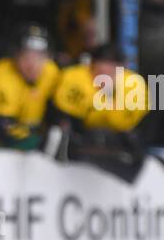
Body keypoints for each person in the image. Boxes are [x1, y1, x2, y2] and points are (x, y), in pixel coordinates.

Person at [41, 44, 151, 183]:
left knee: (134, 146)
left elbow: (140, 127)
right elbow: (65, 119)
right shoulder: (75, 80)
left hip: (112, 141)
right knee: (63, 135)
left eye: (111, 73)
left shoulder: (134, 87)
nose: (104, 79)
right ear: (91, 68)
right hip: (79, 140)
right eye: (99, 72)